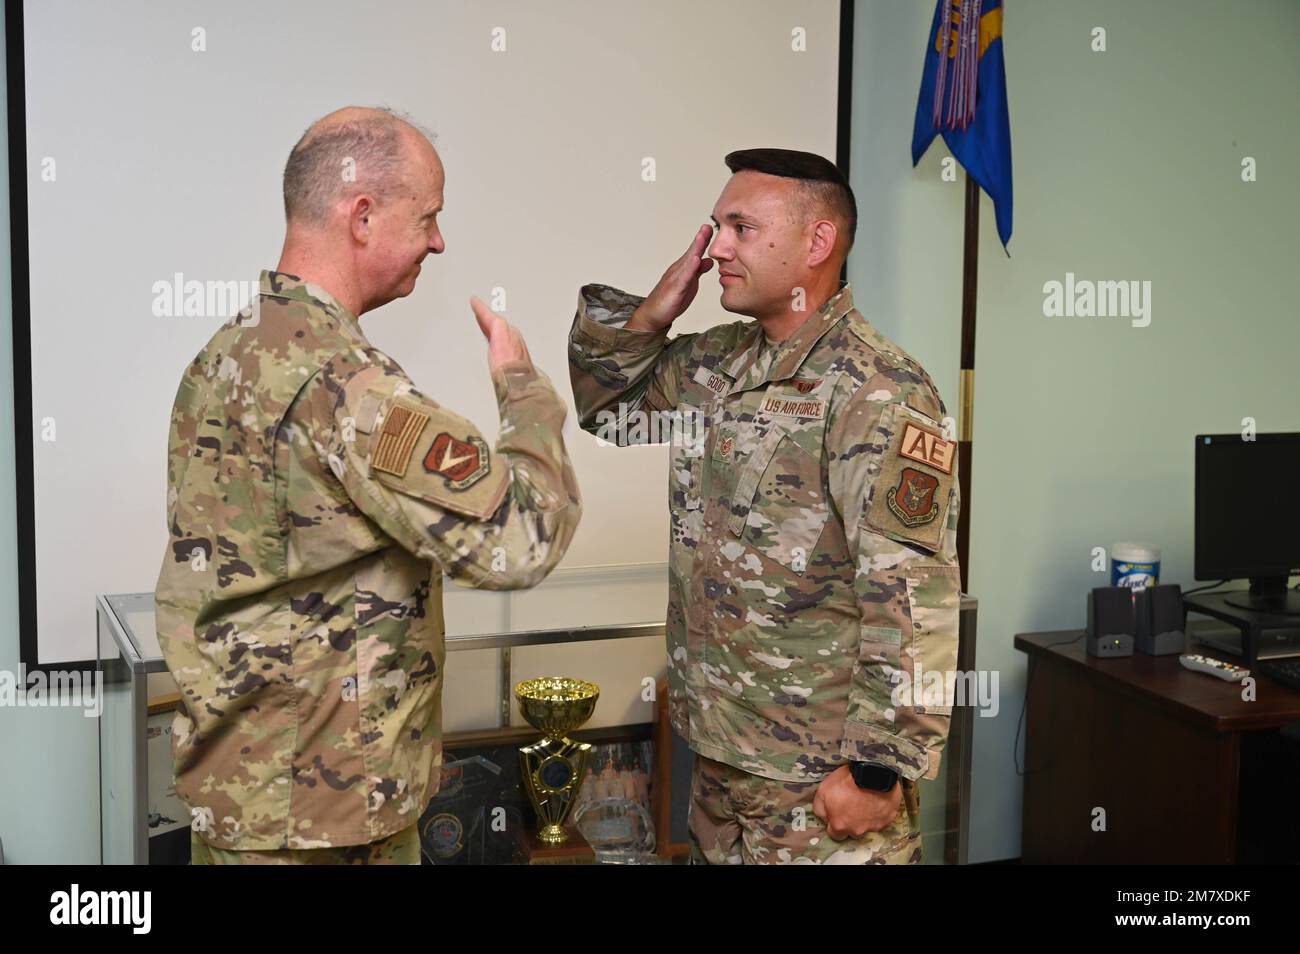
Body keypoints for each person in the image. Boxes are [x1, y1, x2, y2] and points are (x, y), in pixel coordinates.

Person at [155, 106, 581, 865]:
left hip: (245, 802)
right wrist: (524, 389)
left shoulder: (223, 354)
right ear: (362, 215)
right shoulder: (347, 386)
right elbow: (523, 538)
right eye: (429, 217)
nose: (438, 240)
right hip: (326, 824)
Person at [567, 148, 961, 864]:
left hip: (820, 784)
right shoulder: (717, 363)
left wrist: (878, 771)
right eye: (717, 227)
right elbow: (608, 410)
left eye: (742, 228)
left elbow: (912, 597)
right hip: (721, 759)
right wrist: (652, 315)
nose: (717, 247)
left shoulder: (880, 392)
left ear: (817, 243)